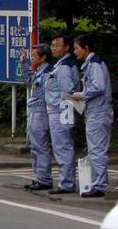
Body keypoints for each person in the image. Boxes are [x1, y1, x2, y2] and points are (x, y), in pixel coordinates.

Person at [72, 35, 110, 198]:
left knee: (97, 150)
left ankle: (99, 185)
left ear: (86, 48)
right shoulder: (92, 64)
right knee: (96, 149)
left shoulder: (94, 64)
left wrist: (82, 95)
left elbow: (99, 87)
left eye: (76, 48)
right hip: (96, 111)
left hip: (99, 111)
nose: (75, 52)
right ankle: (99, 183)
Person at [44, 35, 80, 195]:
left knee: (62, 147)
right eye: (52, 45)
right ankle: (66, 181)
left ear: (67, 48)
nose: (53, 48)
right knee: (62, 146)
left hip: (61, 111)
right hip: (58, 110)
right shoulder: (60, 65)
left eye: (57, 45)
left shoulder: (64, 67)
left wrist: (68, 113)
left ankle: (66, 183)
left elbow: (68, 91)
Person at [23, 43, 54, 192]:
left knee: (41, 146)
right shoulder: (39, 72)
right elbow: (30, 81)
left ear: (43, 58)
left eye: (34, 56)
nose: (32, 58)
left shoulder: (48, 73)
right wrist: (24, 64)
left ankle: (44, 179)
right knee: (34, 146)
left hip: (41, 112)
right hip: (34, 111)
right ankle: (38, 177)